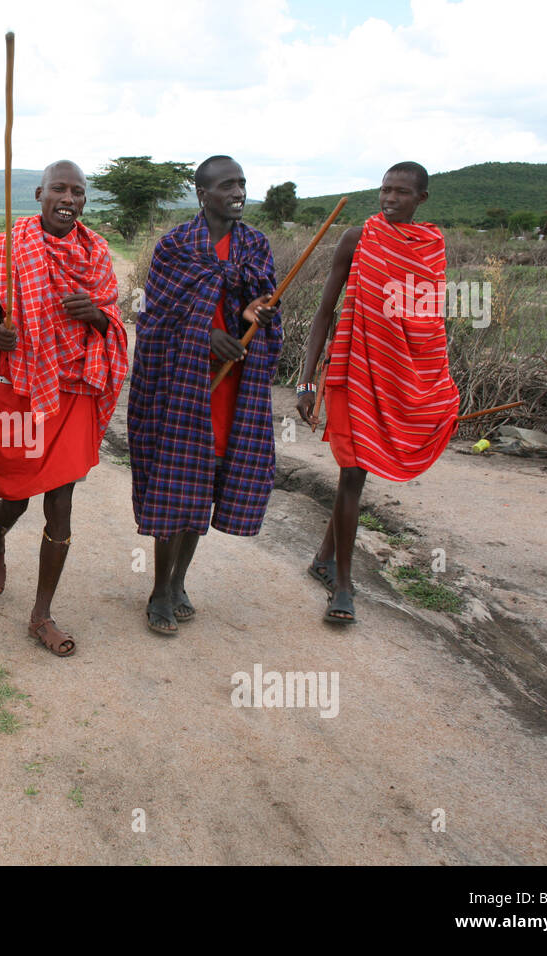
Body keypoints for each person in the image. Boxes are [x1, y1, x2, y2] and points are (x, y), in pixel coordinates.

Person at [0, 160, 128, 656]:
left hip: (74, 389)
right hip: (22, 387)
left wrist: (97, 316)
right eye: (59, 189)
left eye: (77, 192)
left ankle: (41, 614)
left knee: (60, 501)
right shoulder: (10, 249)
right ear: (39, 193)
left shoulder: (96, 253)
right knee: (16, 495)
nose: (68, 198)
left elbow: (114, 326)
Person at [296, 161, 458, 624]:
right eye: (385, 190)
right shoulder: (356, 238)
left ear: (421, 199)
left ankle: (322, 560)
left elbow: (427, 326)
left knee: (359, 473)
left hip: (396, 376)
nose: (390, 199)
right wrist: (308, 382)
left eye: (401, 193)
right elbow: (325, 312)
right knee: (352, 473)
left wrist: (430, 385)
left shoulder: (430, 247)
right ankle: (343, 587)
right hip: (352, 371)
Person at [129, 156, 281, 635]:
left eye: (241, 183)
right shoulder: (176, 246)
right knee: (177, 483)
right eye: (226, 185)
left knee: (207, 485)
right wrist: (204, 336)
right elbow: (154, 323)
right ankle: (158, 591)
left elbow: (263, 308)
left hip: (231, 386)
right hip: (180, 387)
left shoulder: (254, 245)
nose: (237, 192)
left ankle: (179, 581)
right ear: (203, 193)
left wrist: (256, 313)